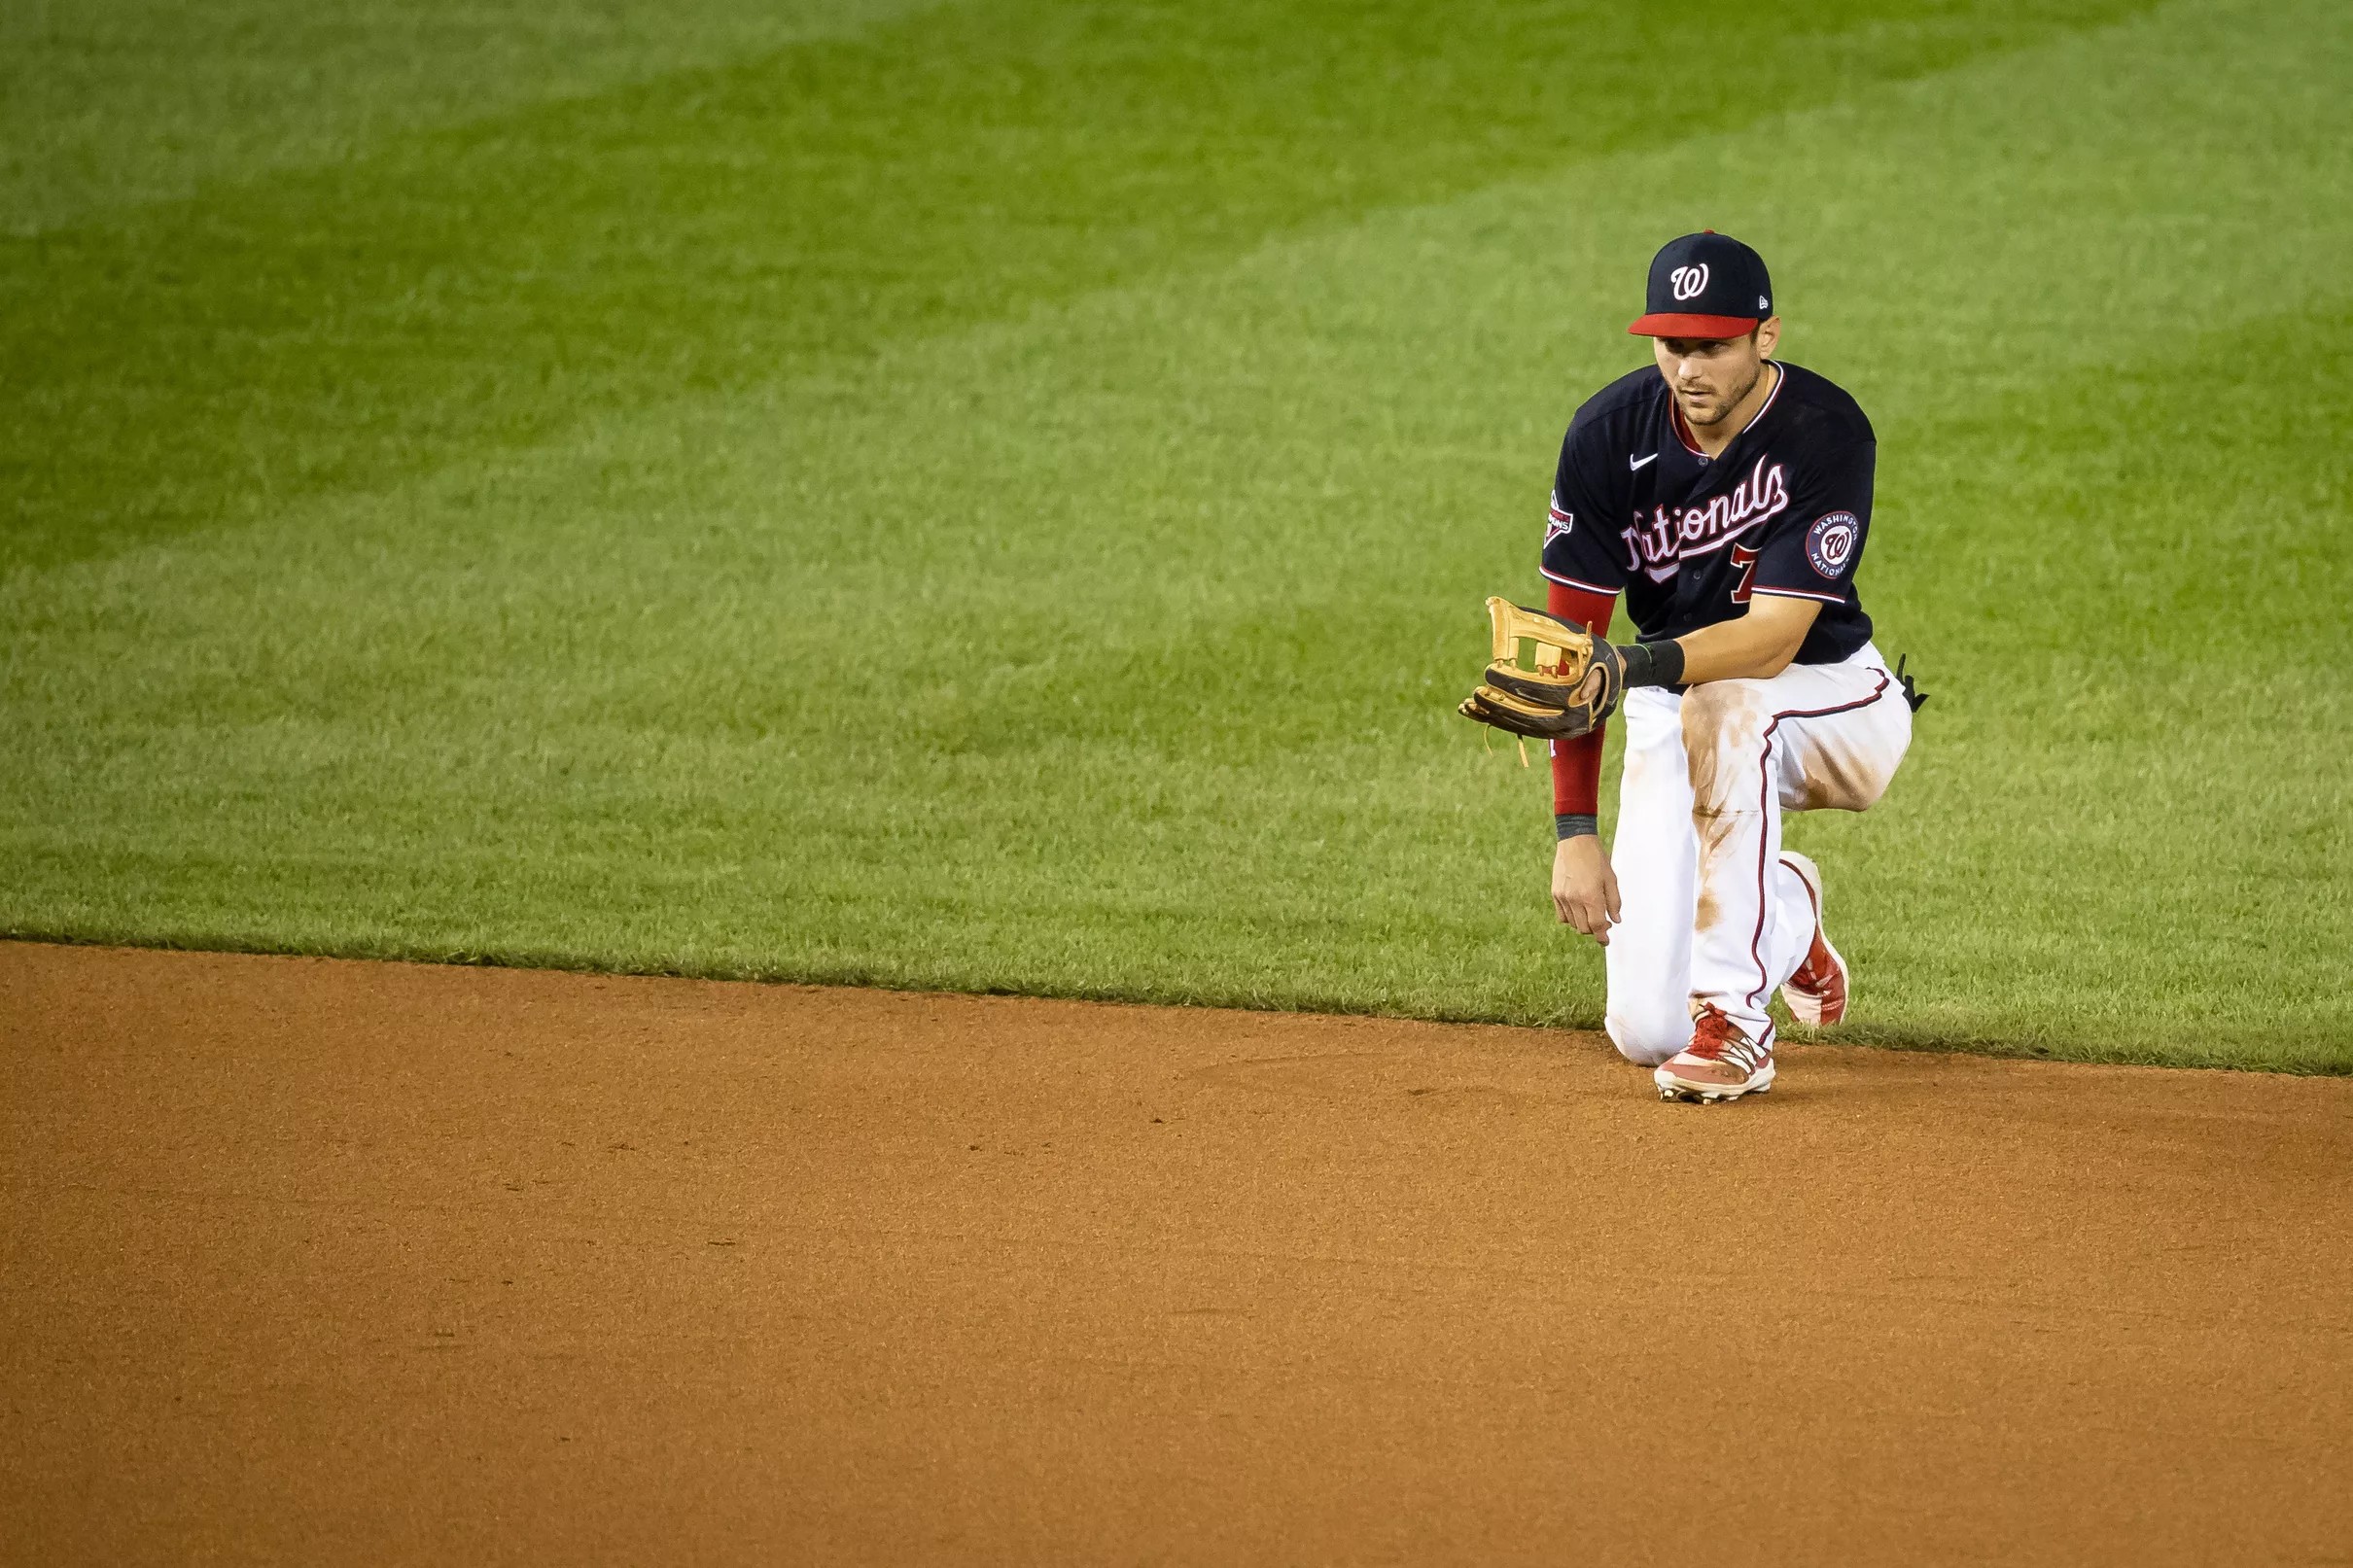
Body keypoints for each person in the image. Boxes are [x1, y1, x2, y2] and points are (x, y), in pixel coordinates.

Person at [1539, 231, 1919, 1103]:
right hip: (1671, 697)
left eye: (1715, 345)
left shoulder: (1826, 433)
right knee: (1646, 1030)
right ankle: (1785, 909)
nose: (1691, 368)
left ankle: (1742, 1029)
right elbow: (1576, 655)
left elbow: (1774, 639)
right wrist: (1574, 834)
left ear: (1766, 337)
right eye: (1674, 346)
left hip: (1832, 695)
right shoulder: (1605, 439)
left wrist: (1633, 664)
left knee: (1727, 710)